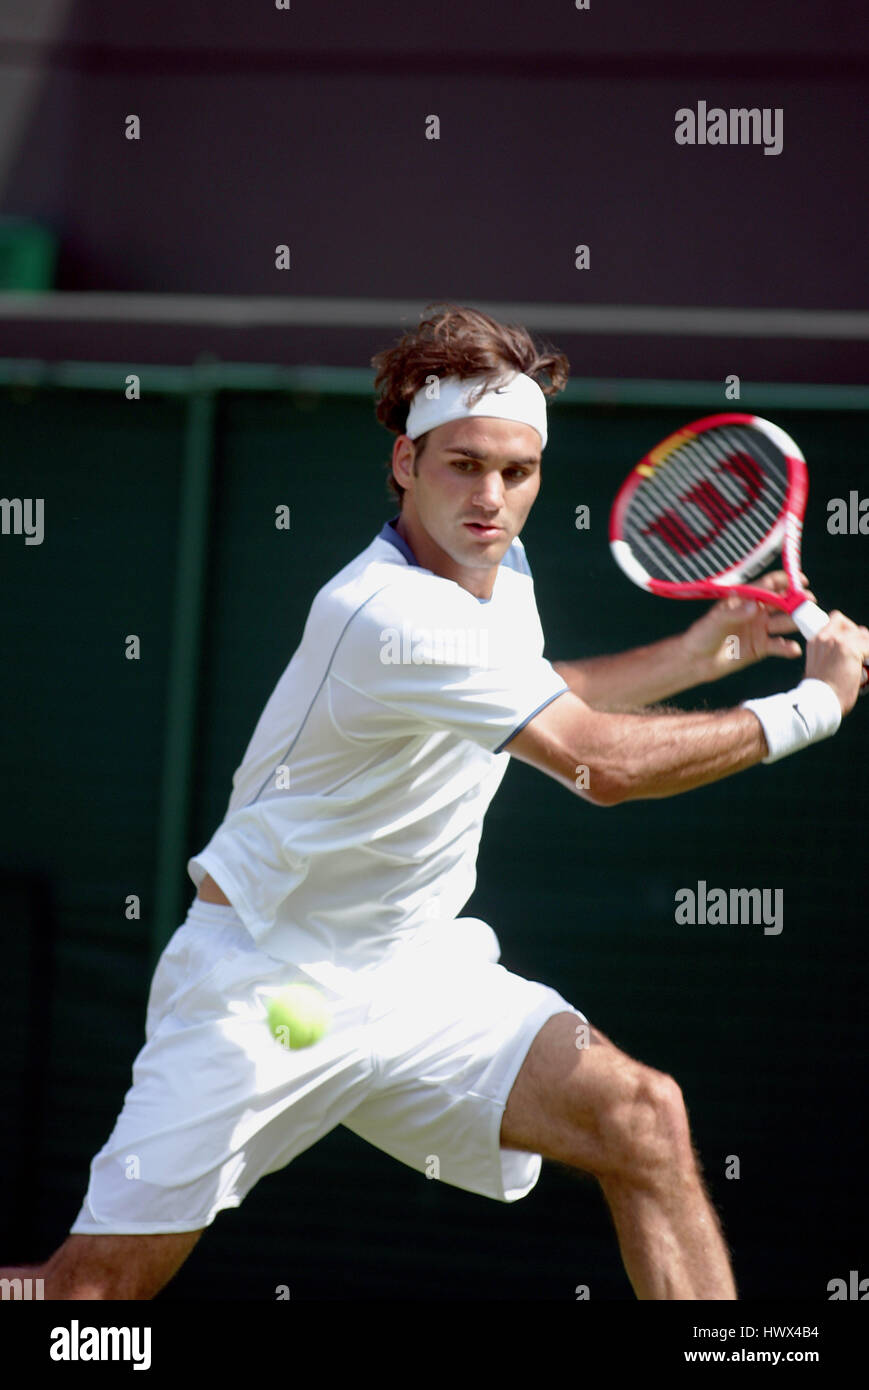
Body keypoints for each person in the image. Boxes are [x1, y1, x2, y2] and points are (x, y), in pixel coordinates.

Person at [4, 304, 866, 1301]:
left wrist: (688, 655)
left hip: (417, 975)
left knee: (641, 1117)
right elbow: (596, 765)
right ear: (404, 464)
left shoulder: (496, 571)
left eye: (516, 470)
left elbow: (536, 693)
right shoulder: (388, 615)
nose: (490, 497)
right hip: (265, 986)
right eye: (461, 465)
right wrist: (811, 707)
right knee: (87, 1298)